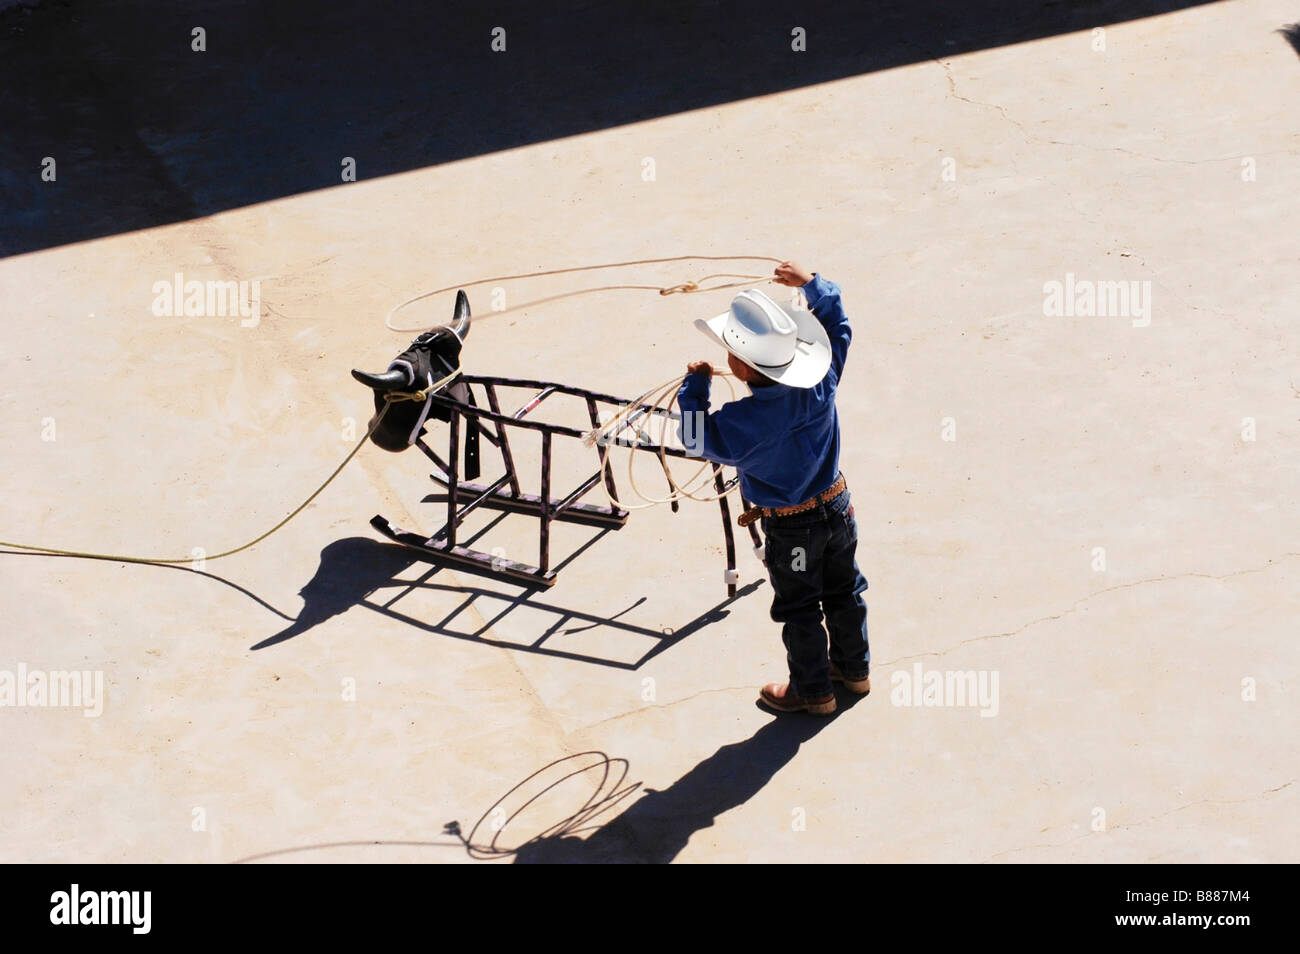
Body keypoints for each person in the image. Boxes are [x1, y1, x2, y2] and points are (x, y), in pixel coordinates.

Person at [677, 261, 869, 715]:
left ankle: (812, 690)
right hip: (838, 508)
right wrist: (813, 286)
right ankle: (854, 670)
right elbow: (838, 326)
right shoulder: (821, 382)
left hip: (792, 529)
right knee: (844, 590)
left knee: (800, 606)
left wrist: (695, 387)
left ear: (740, 368)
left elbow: (692, 437)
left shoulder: (741, 424)